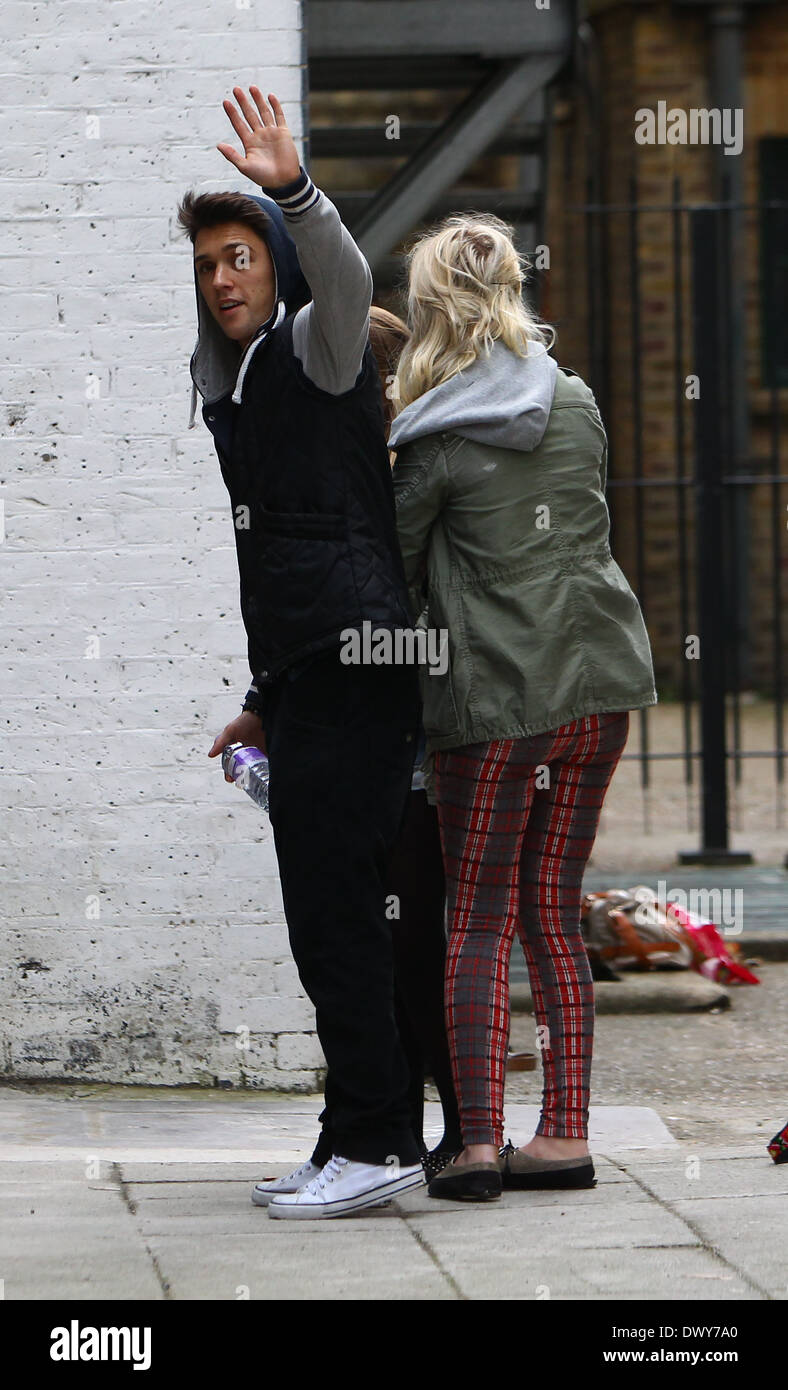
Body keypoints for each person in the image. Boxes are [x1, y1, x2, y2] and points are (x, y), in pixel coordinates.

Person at [183, 86, 425, 1218]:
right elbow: (282, 569)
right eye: (207, 267)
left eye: (239, 256)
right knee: (328, 912)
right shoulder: (238, 390)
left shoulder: (320, 349)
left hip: (360, 663)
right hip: (317, 671)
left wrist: (293, 188)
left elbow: (350, 282)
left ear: (273, 262)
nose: (223, 278)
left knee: (336, 911)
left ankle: (378, 1139)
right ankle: (352, 1133)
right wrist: (261, 699)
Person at [389, 213, 658, 1201]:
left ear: (427, 308)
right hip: (596, 687)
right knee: (552, 910)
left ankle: (471, 1148)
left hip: (497, 700)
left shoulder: (431, 437)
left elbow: (399, 569)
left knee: (475, 915)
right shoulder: (575, 399)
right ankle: (564, 1136)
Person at [368, 307, 462, 1177]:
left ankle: (462, 1120)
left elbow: (427, 616)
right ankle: (405, 1119)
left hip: (423, 748)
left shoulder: (414, 470)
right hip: (387, 746)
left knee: (417, 940)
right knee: (394, 938)